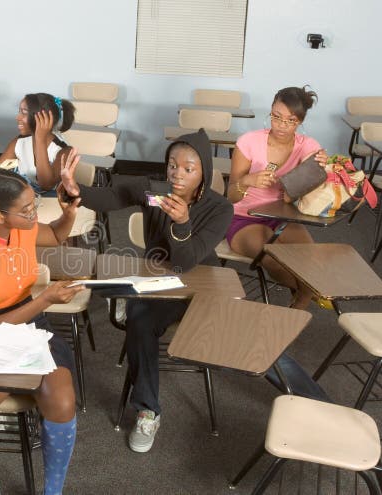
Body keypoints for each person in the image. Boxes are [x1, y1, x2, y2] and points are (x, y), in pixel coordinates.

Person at [59, 129, 233, 453]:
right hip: (155, 277)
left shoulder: (220, 208)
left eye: (188, 169)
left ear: (204, 173)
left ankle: (131, 301)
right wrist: (75, 190)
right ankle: (148, 411)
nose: (177, 174)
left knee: (203, 327)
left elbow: (185, 262)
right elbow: (113, 196)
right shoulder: (155, 190)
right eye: (172, 165)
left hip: (198, 282)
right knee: (140, 321)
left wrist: (182, 223)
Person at [0, 167, 83, 495]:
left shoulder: (24, 228)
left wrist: (69, 213)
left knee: (62, 402)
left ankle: (53, 491)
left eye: (34, 205)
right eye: (26, 209)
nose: (34, 213)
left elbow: (57, 235)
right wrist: (46, 299)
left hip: (33, 326)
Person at [226, 86, 328, 310]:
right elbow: (230, 196)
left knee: (311, 260)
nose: (282, 125)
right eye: (276, 117)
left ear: (300, 121)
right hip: (243, 216)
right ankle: (307, 296)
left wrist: (319, 169)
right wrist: (248, 180)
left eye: (291, 120)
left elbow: (298, 196)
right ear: (270, 112)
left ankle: (302, 298)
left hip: (282, 214)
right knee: (272, 260)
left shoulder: (308, 146)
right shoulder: (248, 142)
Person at [0, 93, 75, 196]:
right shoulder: (19, 142)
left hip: (52, 201)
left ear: (44, 118)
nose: (18, 117)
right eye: (19, 112)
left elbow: (46, 185)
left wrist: (40, 139)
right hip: (24, 197)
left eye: (24, 113)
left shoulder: (64, 150)